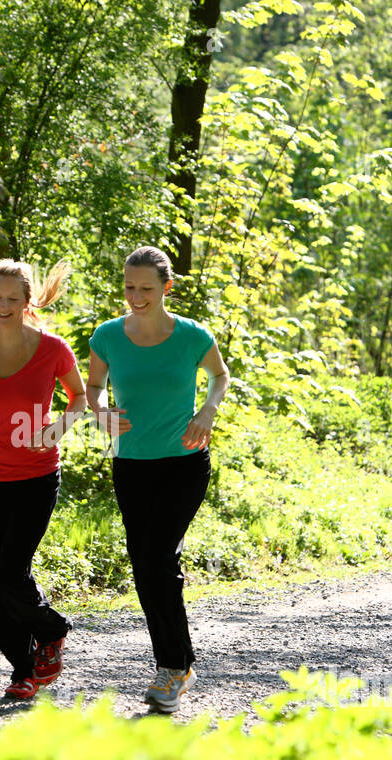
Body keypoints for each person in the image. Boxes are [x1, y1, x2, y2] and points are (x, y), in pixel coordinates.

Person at [86, 246, 231, 714]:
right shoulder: (108, 336)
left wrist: (207, 411)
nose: (136, 296)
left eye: (146, 288)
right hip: (131, 465)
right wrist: (102, 411)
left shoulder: (191, 336)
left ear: (166, 288)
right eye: (129, 287)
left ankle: (172, 668)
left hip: (184, 463)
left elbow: (220, 375)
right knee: (150, 564)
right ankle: (179, 664)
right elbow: (92, 386)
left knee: (153, 560)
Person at [0, 258, 89, 700]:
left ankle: (52, 629)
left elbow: (80, 399)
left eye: (12, 299)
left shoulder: (52, 349)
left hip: (35, 475)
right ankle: (24, 669)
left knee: (8, 574)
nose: (2, 306)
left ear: (28, 302)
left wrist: (56, 429)